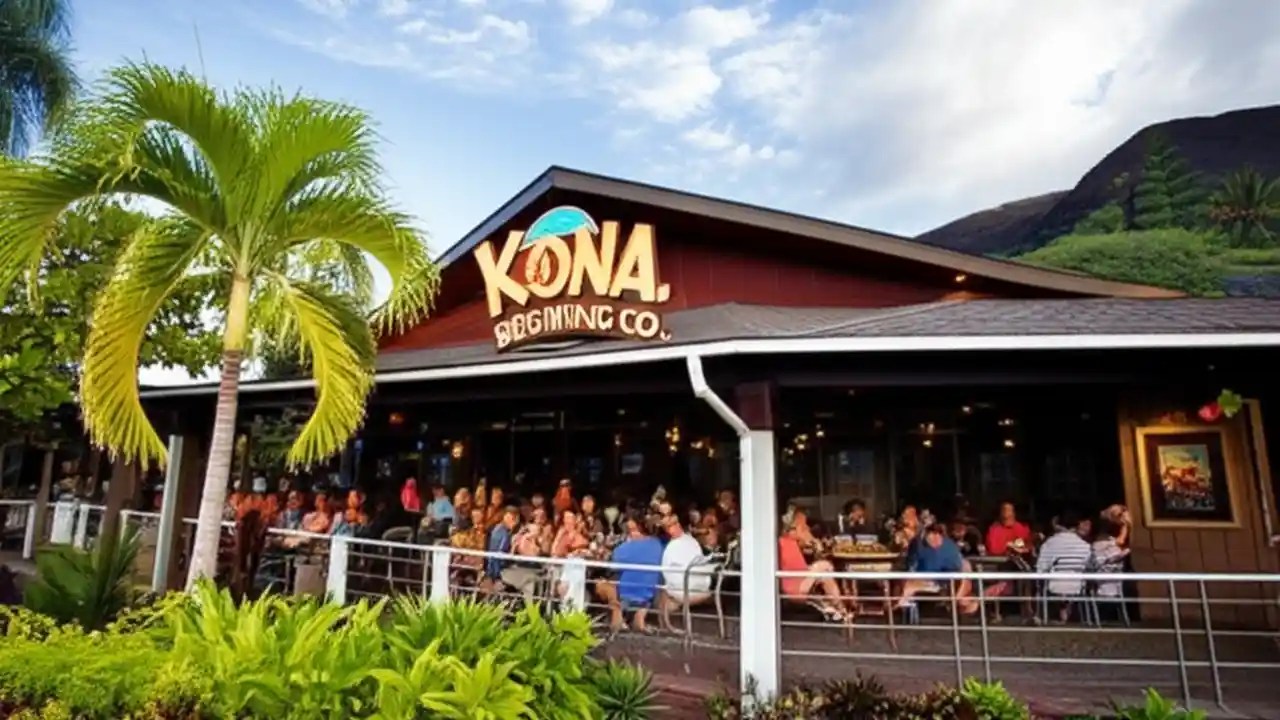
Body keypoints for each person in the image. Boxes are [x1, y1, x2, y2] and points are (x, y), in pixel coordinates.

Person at [595, 512, 664, 633]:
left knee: (600, 583)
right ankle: (638, 617)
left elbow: (613, 566)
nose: (631, 533)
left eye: (631, 530)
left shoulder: (626, 548)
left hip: (625, 595)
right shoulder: (657, 544)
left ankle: (617, 615)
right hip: (649, 597)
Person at [778, 516, 850, 622]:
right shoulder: (782, 543)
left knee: (825, 575)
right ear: (791, 530)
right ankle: (838, 608)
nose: (807, 529)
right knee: (824, 566)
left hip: (802, 579)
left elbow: (811, 549)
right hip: (794, 586)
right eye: (803, 527)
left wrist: (816, 545)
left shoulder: (794, 543)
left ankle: (840, 609)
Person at [900, 523, 978, 614]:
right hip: (928, 582)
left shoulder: (950, 547)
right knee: (906, 585)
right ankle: (892, 608)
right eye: (933, 533)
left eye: (938, 534)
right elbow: (911, 568)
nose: (936, 537)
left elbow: (961, 571)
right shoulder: (917, 544)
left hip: (945, 584)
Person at [659, 514, 712, 632]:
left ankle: (665, 628)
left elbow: (666, 573)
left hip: (688, 589)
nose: (672, 528)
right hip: (702, 587)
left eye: (674, 524)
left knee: (662, 590)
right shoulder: (692, 541)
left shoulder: (672, 547)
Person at [1037, 509, 1095, 607]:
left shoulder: (1051, 543)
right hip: (1078, 587)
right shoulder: (1085, 546)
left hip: (1055, 586)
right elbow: (1090, 567)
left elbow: (1041, 568)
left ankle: (1046, 614)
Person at [483, 507, 520, 592]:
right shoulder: (502, 532)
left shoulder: (500, 529)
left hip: (494, 568)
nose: (515, 522)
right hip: (498, 571)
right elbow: (500, 555)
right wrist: (514, 547)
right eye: (513, 519)